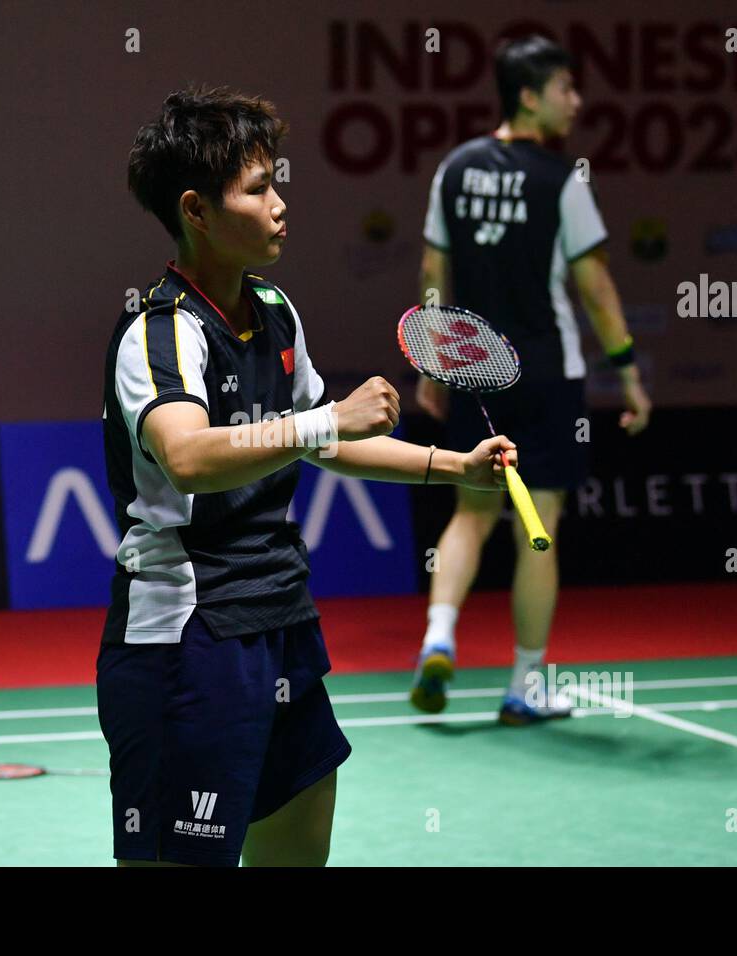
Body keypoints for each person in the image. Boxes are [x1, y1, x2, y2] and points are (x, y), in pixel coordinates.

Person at [99, 84, 519, 866]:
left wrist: (454, 467)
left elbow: (324, 445)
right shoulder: (159, 334)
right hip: (185, 640)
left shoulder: (274, 312)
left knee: (299, 851)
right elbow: (188, 454)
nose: (280, 204)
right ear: (196, 211)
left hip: (280, 620)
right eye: (258, 189)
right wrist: (327, 420)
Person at [411, 35, 651, 725]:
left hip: (475, 371)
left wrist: (433, 360)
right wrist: (629, 373)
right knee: (537, 526)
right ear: (528, 94)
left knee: (470, 513)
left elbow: (432, 274)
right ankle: (524, 685)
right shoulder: (562, 180)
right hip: (547, 373)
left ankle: (438, 636)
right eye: (565, 89)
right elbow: (596, 288)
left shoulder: (453, 170)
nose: (576, 102)